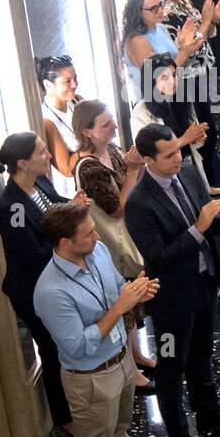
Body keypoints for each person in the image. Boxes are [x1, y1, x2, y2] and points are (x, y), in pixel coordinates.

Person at [33, 203, 173, 437]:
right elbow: (78, 346)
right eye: (89, 233)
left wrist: (135, 289)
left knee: (120, 427)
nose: (97, 237)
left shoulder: (96, 254)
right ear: (65, 243)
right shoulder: (51, 292)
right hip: (90, 376)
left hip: (120, 360)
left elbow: (116, 290)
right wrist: (121, 307)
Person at [124, 123, 220, 437]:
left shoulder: (189, 175)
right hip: (171, 299)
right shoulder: (139, 203)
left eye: (178, 151)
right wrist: (199, 226)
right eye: (168, 156)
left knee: (201, 354)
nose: (177, 159)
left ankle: (210, 414)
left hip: (204, 281)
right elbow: (159, 257)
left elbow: (207, 219)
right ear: (148, 160)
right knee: (171, 368)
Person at [0, 132, 86, 431]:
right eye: (42, 152)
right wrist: (68, 246)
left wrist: (72, 206)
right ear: (22, 163)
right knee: (51, 349)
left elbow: (56, 205)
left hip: (54, 278)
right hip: (33, 288)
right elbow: (31, 253)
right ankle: (65, 419)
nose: (48, 156)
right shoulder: (13, 207)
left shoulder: (40, 182)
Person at [71, 101, 158, 392]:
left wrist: (138, 166)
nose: (114, 126)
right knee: (121, 302)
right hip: (111, 243)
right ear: (88, 131)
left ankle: (136, 354)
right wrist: (133, 170)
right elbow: (116, 208)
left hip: (126, 239)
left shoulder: (110, 151)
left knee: (133, 297)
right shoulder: (89, 169)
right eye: (106, 124)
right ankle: (130, 371)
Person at [157, 0, 220, 192]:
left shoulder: (183, 2)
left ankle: (215, 173)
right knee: (199, 124)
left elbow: (203, 33)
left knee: (207, 122)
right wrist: (208, 21)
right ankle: (205, 179)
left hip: (201, 69)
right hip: (185, 74)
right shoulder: (166, 12)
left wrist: (214, 19)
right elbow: (187, 46)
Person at [120, 0, 211, 182]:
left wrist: (183, 48)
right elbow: (159, 73)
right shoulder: (136, 40)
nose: (160, 10)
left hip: (174, 96)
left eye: (160, 4)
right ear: (138, 11)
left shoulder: (160, 28)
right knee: (166, 150)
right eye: (153, 8)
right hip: (154, 101)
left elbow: (173, 68)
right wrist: (184, 51)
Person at [35, 55, 83, 197]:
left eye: (75, 78)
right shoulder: (47, 121)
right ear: (48, 85)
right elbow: (67, 169)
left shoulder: (77, 101)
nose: (74, 85)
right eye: (67, 81)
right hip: (72, 193)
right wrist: (92, 137)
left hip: (93, 179)